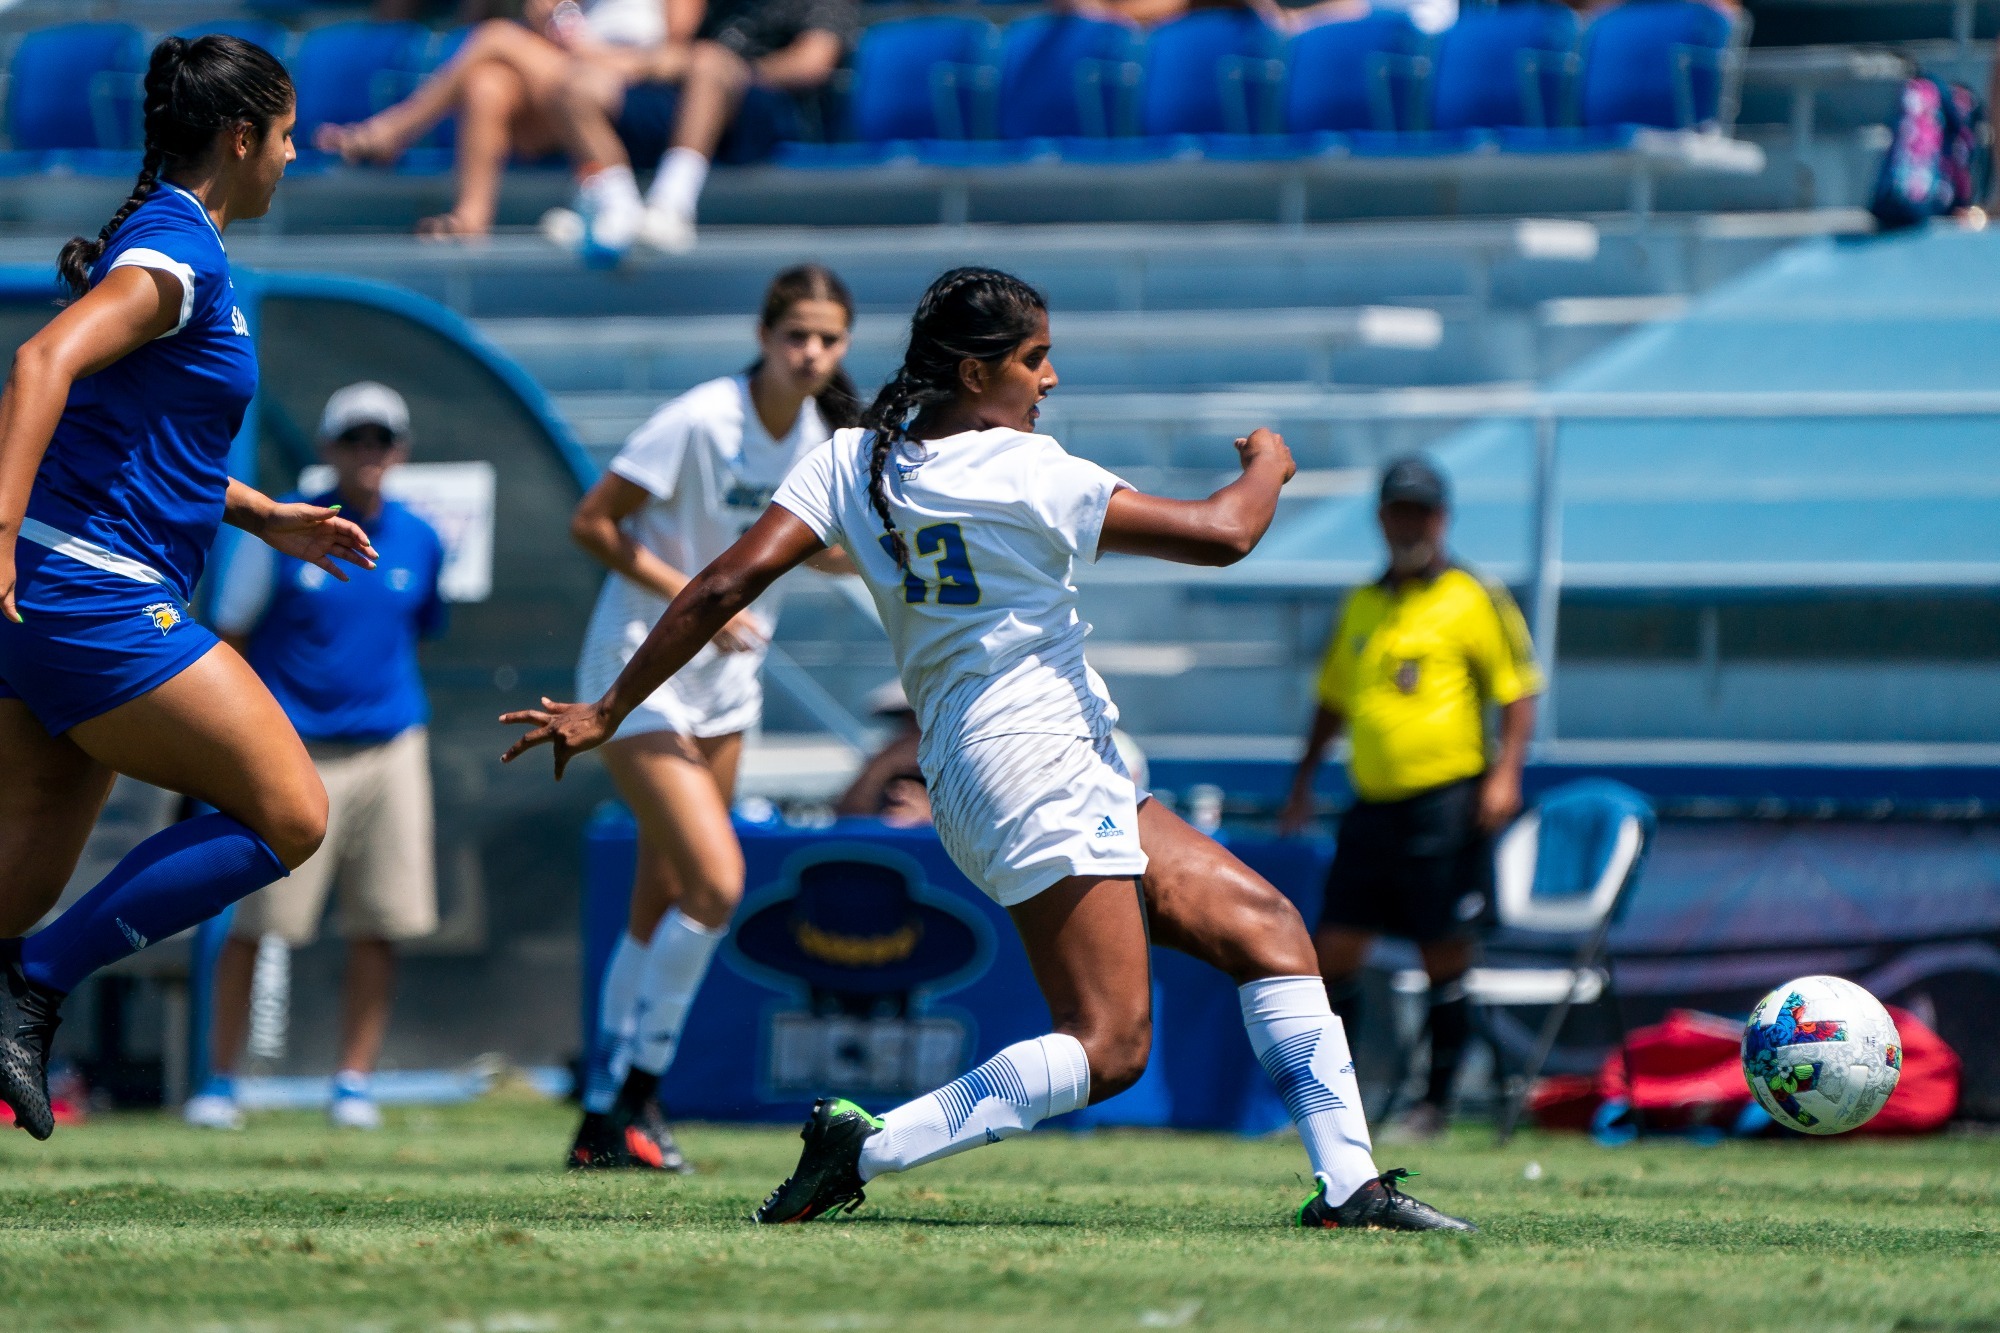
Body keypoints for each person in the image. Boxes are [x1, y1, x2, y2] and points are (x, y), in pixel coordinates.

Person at [503, 267, 1475, 1233]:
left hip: (1007, 763)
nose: (1048, 380)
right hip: (1033, 763)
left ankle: (1348, 1185)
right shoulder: (1025, 470)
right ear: (975, 375)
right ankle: (867, 1146)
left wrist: (608, 706)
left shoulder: (847, 462)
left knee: (1266, 927)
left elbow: (720, 585)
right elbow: (1223, 533)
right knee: (1110, 1044)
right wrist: (1267, 460)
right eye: (1032, 359)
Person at [0, 36, 377, 1141]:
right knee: (290, 813)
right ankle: (38, 988)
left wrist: (263, 514)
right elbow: (40, 366)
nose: (296, 157)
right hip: (87, 593)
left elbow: (134, 438)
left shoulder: (174, 239)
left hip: (58, 597)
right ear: (241, 136)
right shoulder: (178, 252)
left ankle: (20, 976)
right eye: (290, 134)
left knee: (11, 890)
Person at [563, 263, 859, 1171]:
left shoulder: (824, 437)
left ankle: (603, 1116)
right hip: (641, 671)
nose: (811, 353)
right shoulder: (700, 418)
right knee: (720, 884)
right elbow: (593, 523)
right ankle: (641, 1091)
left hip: (730, 688)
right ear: (765, 337)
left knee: (666, 899)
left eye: (829, 339)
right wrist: (698, 601)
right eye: (796, 335)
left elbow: (825, 554)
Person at [183, 382, 446, 1134]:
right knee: (256, 921)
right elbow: (228, 634)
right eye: (355, 438)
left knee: (383, 920)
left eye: (383, 439)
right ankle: (222, 1080)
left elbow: (417, 627)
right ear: (329, 448)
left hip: (392, 747)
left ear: (400, 451)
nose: (370, 453)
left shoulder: (422, 538)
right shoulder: (277, 530)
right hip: (289, 749)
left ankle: (353, 1082)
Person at [1277, 454, 1542, 1141]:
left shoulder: (1473, 596)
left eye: (1421, 511)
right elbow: (1332, 698)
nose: (1409, 524)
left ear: (1443, 518)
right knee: (1332, 951)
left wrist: (1507, 771)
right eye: (1398, 511)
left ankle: (1434, 1104)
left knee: (1443, 951)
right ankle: (1339, 1104)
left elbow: (1516, 688)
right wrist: (1304, 779)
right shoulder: (1362, 602)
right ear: (1381, 518)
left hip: (1446, 802)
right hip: (1373, 803)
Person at [315, 0, 683, 240]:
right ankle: (472, 216)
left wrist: (588, 52)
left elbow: (677, 53)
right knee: (486, 84)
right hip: (562, 84)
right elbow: (548, 25)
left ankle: (391, 132)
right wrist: (547, 18)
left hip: (630, 85)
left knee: (495, 37)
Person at [541, 0, 859, 259]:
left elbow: (811, 63)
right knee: (577, 88)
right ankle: (616, 209)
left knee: (710, 62)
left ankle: (671, 208)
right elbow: (677, 43)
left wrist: (736, 73)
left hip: (772, 107)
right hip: (694, 92)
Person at [834, 680, 932, 826]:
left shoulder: (963, 768)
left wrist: (929, 816)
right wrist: (882, 766)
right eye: (909, 721)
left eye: (924, 720)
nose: (915, 731)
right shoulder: (889, 765)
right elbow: (847, 820)